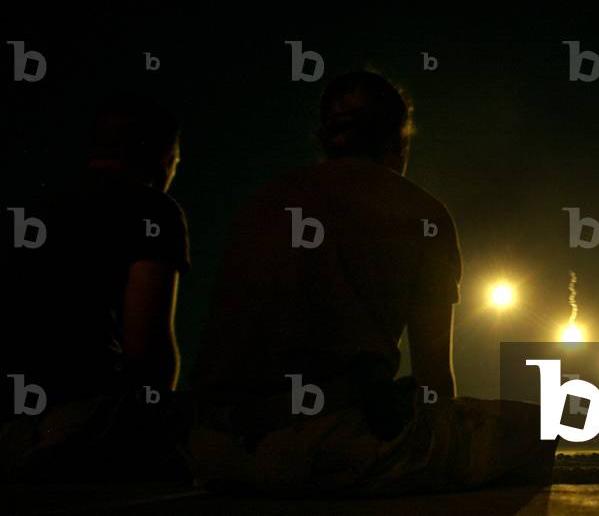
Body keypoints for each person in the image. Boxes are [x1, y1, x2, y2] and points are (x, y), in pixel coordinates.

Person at [187, 71, 555, 495]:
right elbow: (433, 377)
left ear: (323, 135)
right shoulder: (421, 213)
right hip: (323, 443)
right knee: (535, 432)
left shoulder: (261, 200)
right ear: (400, 142)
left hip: (215, 447)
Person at [0, 93, 190, 481]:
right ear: (165, 156)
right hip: (75, 413)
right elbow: (147, 344)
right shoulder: (152, 209)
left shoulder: (31, 201)